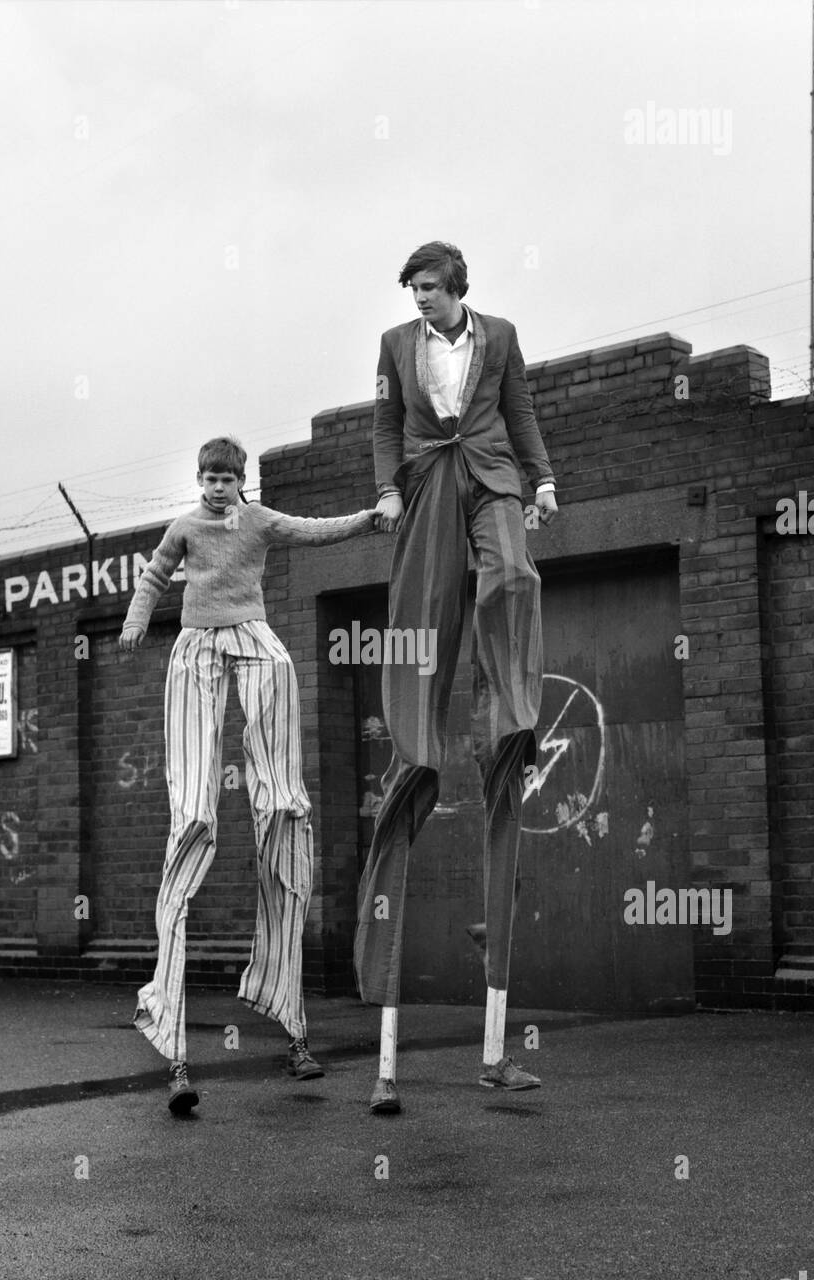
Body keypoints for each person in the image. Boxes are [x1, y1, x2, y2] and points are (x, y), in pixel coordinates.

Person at [355, 241, 558, 1114]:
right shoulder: (397, 347)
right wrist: (387, 489)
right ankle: (419, 737)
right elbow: (382, 423)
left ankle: (513, 710)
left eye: (431, 289)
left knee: (512, 576)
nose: (421, 302)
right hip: (429, 482)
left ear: (459, 289)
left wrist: (544, 480)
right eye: (413, 291)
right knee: (423, 617)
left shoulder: (501, 336)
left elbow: (519, 411)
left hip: (493, 475)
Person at [120, 436, 377, 1114]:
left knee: (286, 814)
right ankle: (170, 1037)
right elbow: (153, 575)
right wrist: (135, 620)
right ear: (197, 479)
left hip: (255, 642)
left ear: (242, 482)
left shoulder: (261, 520)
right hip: (196, 650)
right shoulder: (185, 527)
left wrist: (370, 517)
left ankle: (292, 1025)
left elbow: (313, 530)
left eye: (228, 479)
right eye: (208, 477)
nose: (217, 488)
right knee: (195, 820)